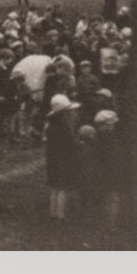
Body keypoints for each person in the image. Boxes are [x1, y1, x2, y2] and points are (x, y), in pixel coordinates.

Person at [45, 94, 80, 223]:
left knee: (55, 187)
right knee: (63, 188)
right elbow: (69, 146)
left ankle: (53, 213)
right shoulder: (64, 128)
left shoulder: (50, 127)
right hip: (63, 161)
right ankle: (60, 216)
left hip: (53, 160)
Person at [93, 110, 128, 229]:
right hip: (111, 173)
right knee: (112, 199)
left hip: (102, 173)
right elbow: (115, 157)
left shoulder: (97, 138)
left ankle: (104, 221)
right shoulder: (110, 139)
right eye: (111, 124)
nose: (113, 126)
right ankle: (110, 224)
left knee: (105, 198)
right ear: (106, 125)